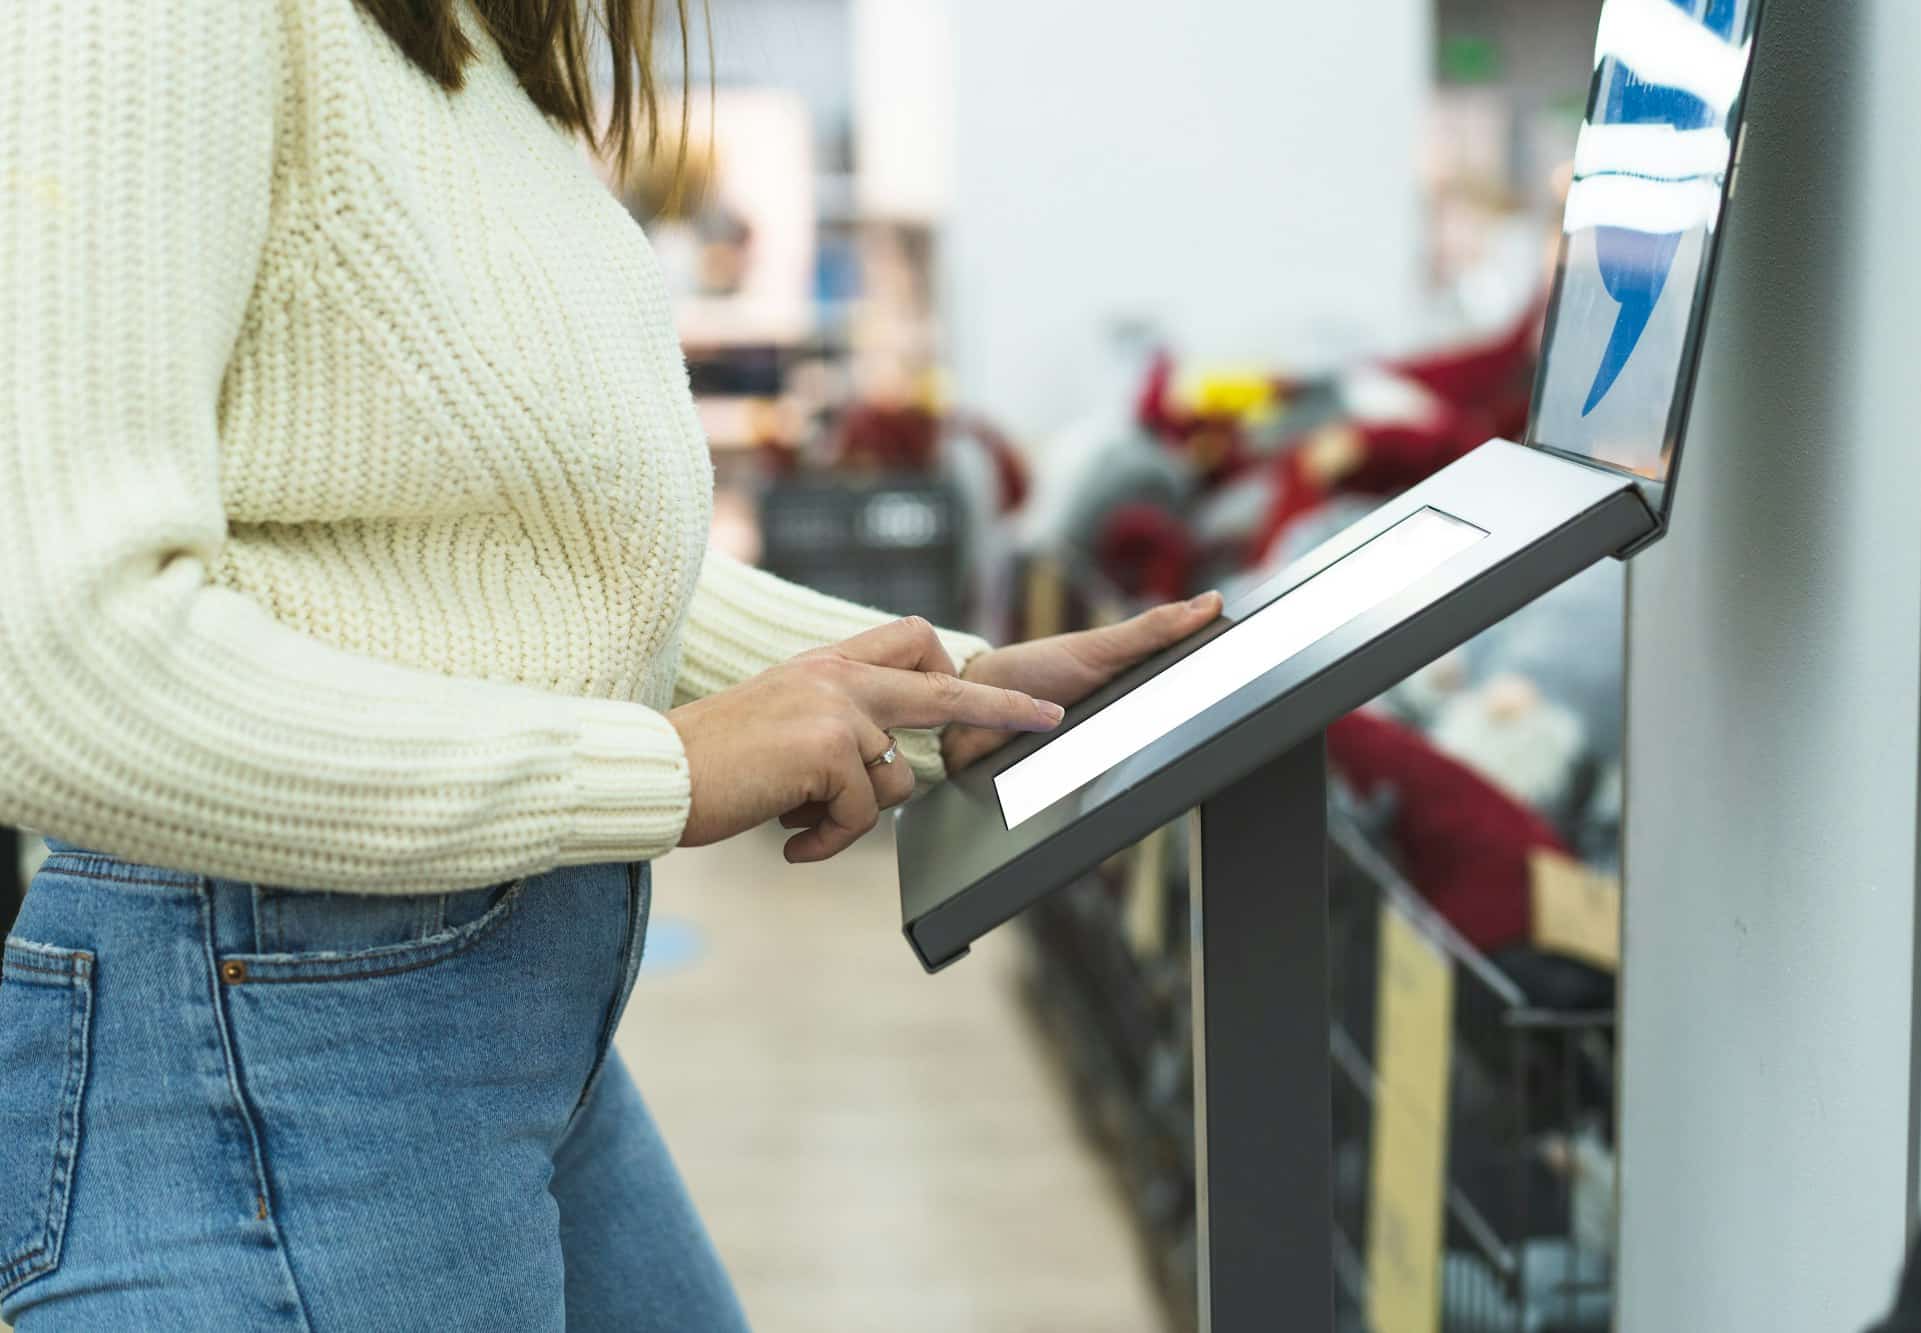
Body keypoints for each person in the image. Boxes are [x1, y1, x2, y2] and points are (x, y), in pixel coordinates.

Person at [0, 2, 1222, 1327]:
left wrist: (956, 693)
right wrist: (665, 768)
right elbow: (57, 656)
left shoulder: (449, 45)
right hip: (271, 1027)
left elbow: (523, 557)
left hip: (498, 1008)